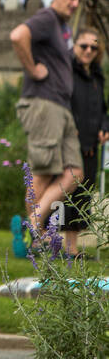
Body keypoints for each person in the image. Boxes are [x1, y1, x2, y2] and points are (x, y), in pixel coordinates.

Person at [10, 0, 86, 251]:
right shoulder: (46, 17)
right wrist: (32, 69)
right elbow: (18, 35)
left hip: (60, 107)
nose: (75, 4)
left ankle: (31, 224)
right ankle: (33, 236)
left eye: (79, 0)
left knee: (74, 172)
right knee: (42, 172)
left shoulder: (62, 26)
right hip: (43, 104)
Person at [65, 27, 109, 256]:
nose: (89, 51)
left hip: (92, 144)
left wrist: (105, 127)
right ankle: (50, 243)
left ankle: (72, 249)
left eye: (94, 47)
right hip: (70, 141)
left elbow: (102, 108)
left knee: (82, 195)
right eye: (84, 46)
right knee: (66, 191)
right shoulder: (66, 72)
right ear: (75, 46)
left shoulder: (97, 75)